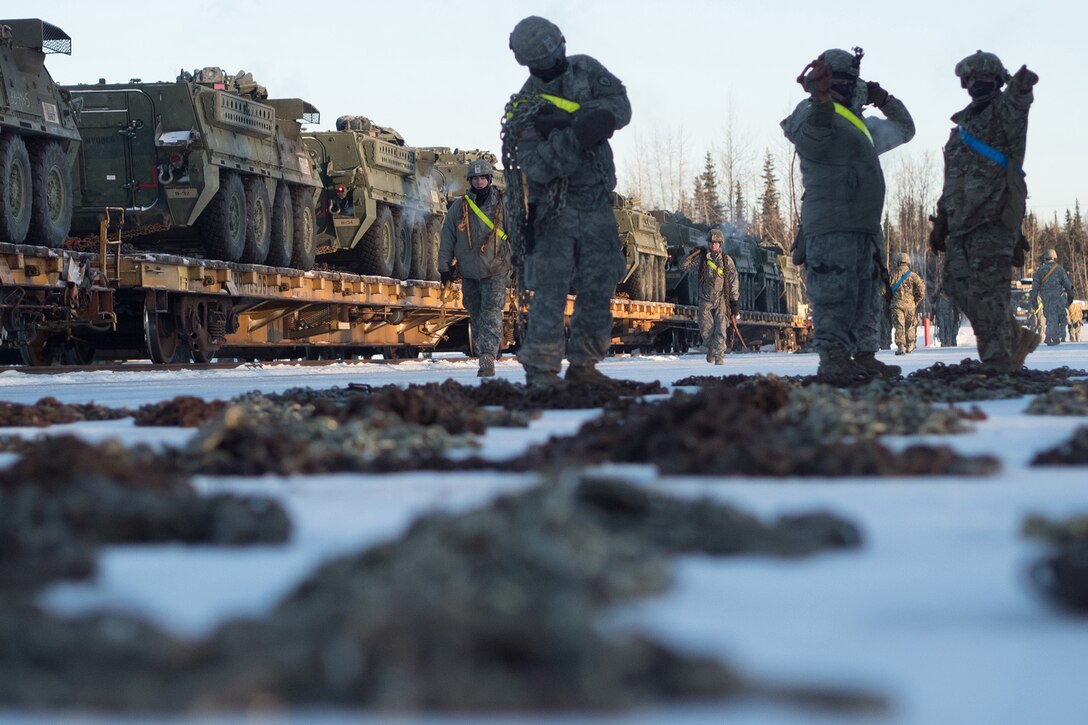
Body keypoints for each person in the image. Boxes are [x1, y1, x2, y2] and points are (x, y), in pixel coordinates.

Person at [503, 16, 631, 388]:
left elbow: (620, 106)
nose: (557, 59)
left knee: (599, 285)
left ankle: (584, 367)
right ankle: (542, 371)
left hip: (596, 203)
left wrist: (593, 118)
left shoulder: (586, 70)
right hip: (554, 211)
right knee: (550, 290)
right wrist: (575, 136)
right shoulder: (524, 108)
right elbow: (538, 167)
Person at [782, 47, 915, 382]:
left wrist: (883, 99)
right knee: (834, 294)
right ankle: (834, 358)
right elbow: (813, 140)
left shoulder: (859, 124)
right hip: (832, 226)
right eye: (842, 80)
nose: (850, 87)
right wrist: (821, 100)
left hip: (865, 228)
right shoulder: (811, 113)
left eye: (852, 81)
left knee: (867, 295)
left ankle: (865, 355)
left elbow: (905, 129)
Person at [929, 51, 1040, 372]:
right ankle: (1014, 337)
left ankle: (998, 360)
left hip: (993, 216)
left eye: (986, 77)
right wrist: (943, 218)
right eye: (973, 78)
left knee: (989, 290)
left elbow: (1017, 106)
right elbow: (952, 178)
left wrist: (1021, 88)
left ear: (998, 79)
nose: (978, 83)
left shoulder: (1004, 111)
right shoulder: (960, 128)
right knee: (955, 284)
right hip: (960, 220)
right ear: (965, 83)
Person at [438, 160, 511, 377]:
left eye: (483, 178)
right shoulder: (459, 208)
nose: (479, 182)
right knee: (476, 313)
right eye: (475, 178)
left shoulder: (503, 205)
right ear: (470, 181)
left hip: (496, 269)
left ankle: (487, 358)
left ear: (489, 179)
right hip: (469, 272)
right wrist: (444, 268)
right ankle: (487, 351)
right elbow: (447, 238)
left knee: (491, 312)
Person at [681, 228, 740, 365]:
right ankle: (711, 348)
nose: (713, 245)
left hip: (721, 298)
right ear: (708, 243)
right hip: (705, 298)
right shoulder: (702, 258)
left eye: (716, 243)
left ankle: (719, 356)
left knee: (721, 328)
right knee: (705, 328)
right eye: (711, 243)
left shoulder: (726, 261)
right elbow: (684, 266)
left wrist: (734, 302)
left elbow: (733, 281)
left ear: (720, 244)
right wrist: (692, 254)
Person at [1029, 249, 1074, 345]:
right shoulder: (1060, 270)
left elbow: (1034, 288)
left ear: (1045, 258)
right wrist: (1070, 296)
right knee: (1056, 315)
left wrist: (1034, 300)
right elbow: (1067, 285)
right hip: (1056, 296)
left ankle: (1052, 336)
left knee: (1050, 315)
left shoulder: (1039, 271)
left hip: (1045, 297)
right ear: (1054, 257)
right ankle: (1051, 336)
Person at [890, 253, 926, 355]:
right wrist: (916, 300)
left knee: (899, 325)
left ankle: (901, 347)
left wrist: (888, 300)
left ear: (898, 262)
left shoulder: (893, 275)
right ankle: (910, 345)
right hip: (910, 305)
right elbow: (921, 289)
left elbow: (883, 289)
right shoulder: (913, 275)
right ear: (907, 262)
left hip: (897, 304)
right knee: (910, 325)